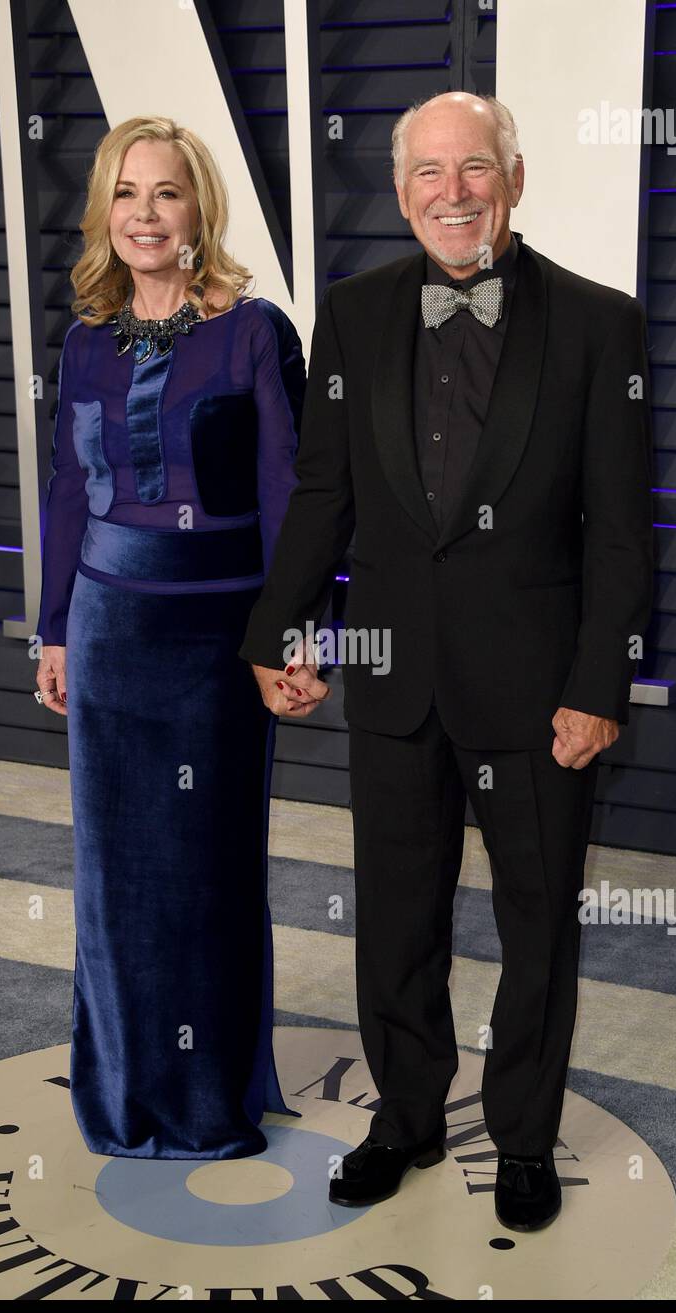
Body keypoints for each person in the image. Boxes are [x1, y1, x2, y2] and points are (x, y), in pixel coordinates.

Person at [238, 91, 654, 1229]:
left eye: (475, 167)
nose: (452, 191)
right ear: (401, 184)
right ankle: (406, 1115)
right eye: (428, 171)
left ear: (513, 179)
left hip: (536, 688)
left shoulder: (596, 324)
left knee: (536, 923)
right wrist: (281, 628)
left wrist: (597, 686)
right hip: (392, 674)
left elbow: (619, 532)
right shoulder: (355, 313)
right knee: (396, 915)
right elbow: (324, 495)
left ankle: (522, 1135)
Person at [34, 115, 304, 1159]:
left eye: (168, 193)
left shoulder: (252, 330)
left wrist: (286, 635)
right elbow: (69, 493)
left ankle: (205, 1097)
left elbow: (288, 489)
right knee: (112, 868)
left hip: (218, 637)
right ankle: (123, 1092)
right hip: (107, 631)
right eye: (129, 193)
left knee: (206, 863)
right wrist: (54, 631)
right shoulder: (84, 339)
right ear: (107, 210)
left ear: (200, 210)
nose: (147, 214)